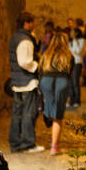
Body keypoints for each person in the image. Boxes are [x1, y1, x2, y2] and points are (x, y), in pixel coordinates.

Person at [8, 11, 43, 153]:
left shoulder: (15, 37)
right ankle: (28, 143)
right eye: (32, 22)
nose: (34, 25)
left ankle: (15, 142)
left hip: (17, 82)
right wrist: (37, 66)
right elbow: (24, 61)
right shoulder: (25, 40)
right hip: (27, 82)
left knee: (17, 113)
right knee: (29, 112)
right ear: (26, 24)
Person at [39, 31, 74, 155]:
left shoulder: (45, 55)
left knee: (49, 105)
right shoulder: (68, 56)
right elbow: (70, 73)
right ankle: (54, 147)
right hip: (62, 81)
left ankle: (48, 114)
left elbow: (40, 72)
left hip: (46, 81)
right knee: (58, 116)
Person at [68, 25, 86, 109]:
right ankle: (71, 100)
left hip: (77, 62)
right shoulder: (70, 41)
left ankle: (77, 100)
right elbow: (70, 51)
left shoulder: (81, 41)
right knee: (70, 82)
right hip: (71, 62)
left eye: (72, 32)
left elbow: (77, 51)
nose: (70, 33)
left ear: (76, 33)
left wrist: (75, 40)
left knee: (75, 81)